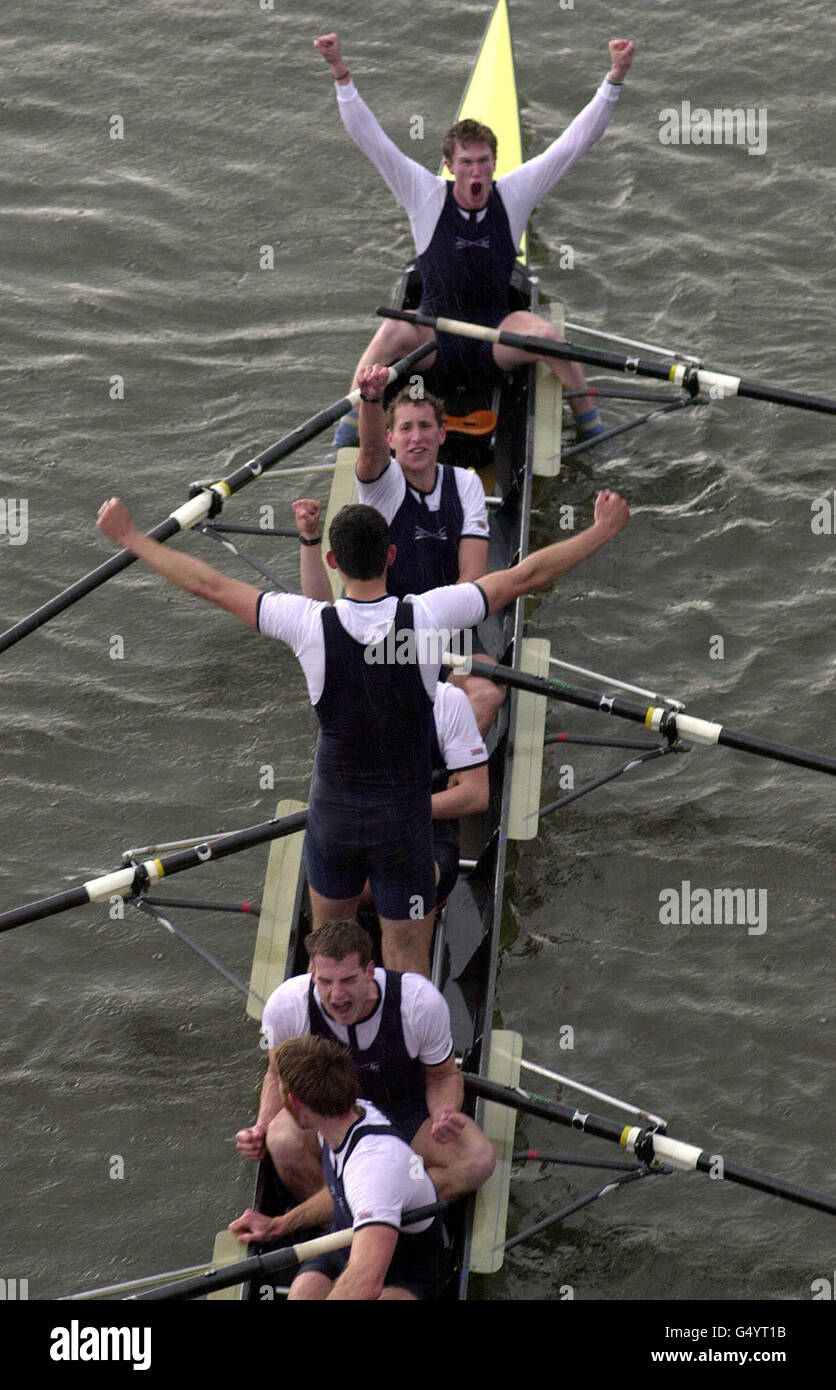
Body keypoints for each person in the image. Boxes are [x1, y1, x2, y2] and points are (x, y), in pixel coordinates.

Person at [96, 486, 628, 975]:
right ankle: (412, 1058)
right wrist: (599, 531)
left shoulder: (305, 622)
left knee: (327, 948)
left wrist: (132, 537)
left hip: (334, 822)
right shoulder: (427, 615)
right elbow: (524, 577)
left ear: (333, 562)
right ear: (391, 556)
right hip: (404, 825)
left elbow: (207, 585)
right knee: (406, 958)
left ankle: (327, 1048)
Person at [313, 31, 636, 443]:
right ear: (449, 165)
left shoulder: (514, 193)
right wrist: (341, 74)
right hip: (433, 342)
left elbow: (574, 142)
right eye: (466, 163)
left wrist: (615, 78)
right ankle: (347, 432)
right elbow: (371, 141)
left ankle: (593, 433)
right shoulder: (425, 194)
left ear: (495, 163)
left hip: (494, 340)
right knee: (391, 333)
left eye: (484, 162)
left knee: (551, 340)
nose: (476, 172)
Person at [293, 494, 489, 921]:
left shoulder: (449, 701)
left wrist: (409, 807)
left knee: (371, 884)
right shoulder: (345, 674)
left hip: (417, 826)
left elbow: (476, 795)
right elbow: (323, 617)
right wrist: (308, 541)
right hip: (363, 825)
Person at [234, 919, 494, 1208]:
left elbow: (443, 1076)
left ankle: (392, 1208)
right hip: (331, 1119)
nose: (337, 996)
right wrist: (261, 1126)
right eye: (325, 981)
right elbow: (276, 1076)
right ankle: (338, 1217)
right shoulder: (286, 1006)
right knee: (282, 1141)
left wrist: (444, 1114)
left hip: (405, 1114)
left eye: (348, 980)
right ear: (311, 973)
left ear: (370, 971)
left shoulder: (419, 1002)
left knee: (477, 1160)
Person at [232, 1035, 447, 1301]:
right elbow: (343, 1192)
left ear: (295, 1102)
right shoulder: (342, 1117)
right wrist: (279, 1225)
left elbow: (364, 1285)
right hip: (344, 1244)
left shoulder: (373, 1168)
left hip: (408, 1270)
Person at [353, 362, 504, 732]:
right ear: (391, 438)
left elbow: (473, 575)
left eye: (425, 427)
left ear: (442, 433)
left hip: (450, 626)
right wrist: (371, 399)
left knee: (489, 693)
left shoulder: (465, 483)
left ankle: (451, 775)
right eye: (405, 429)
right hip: (389, 631)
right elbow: (370, 453)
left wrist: (435, 631)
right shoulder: (382, 485)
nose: (415, 437)